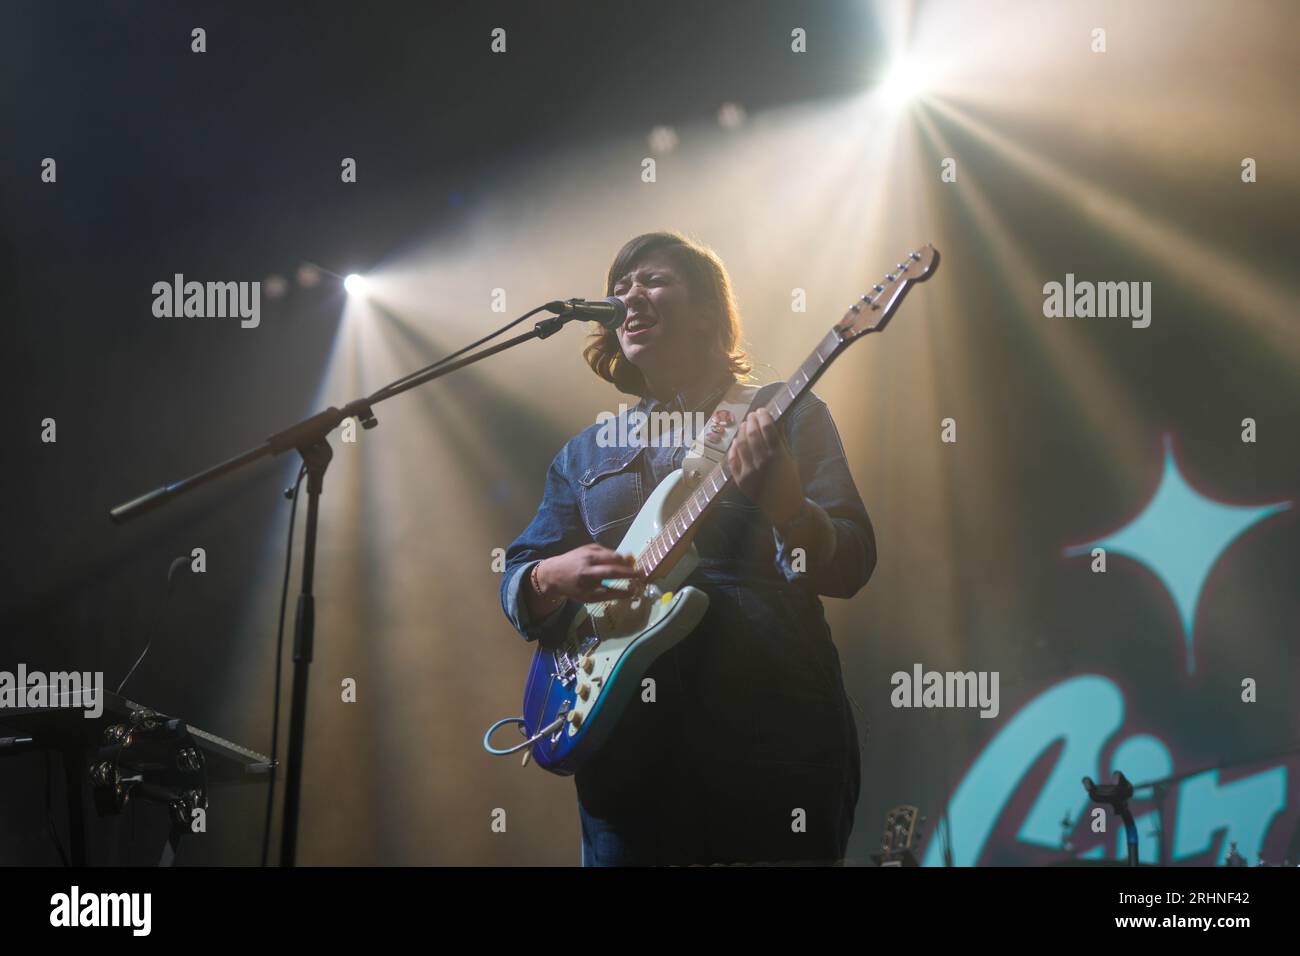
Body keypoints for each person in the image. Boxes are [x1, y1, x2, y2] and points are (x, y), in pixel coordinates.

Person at [500, 231, 876, 865]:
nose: (629, 296)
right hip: (627, 762)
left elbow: (851, 563)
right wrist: (548, 577)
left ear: (708, 313)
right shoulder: (585, 453)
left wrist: (789, 510)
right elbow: (519, 577)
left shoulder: (788, 414)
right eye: (618, 289)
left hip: (771, 737)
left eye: (652, 280)